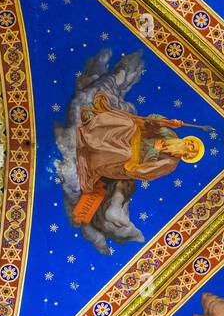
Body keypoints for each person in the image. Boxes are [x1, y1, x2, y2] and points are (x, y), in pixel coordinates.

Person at [71, 92, 202, 224]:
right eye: (191, 142)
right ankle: (89, 131)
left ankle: (90, 152)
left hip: (130, 161)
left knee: (124, 153)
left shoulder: (170, 164)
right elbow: (149, 123)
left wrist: (155, 150)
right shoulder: (171, 136)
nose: (189, 145)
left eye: (192, 149)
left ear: (188, 156)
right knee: (129, 124)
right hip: (133, 137)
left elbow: (147, 171)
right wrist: (166, 122)